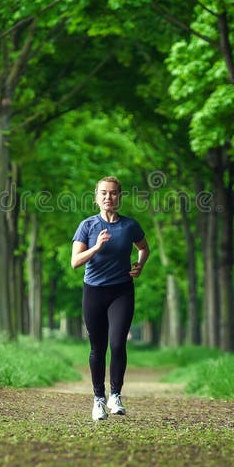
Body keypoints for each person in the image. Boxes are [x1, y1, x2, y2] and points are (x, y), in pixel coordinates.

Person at [71, 175, 150, 421]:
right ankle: (98, 400)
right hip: (94, 291)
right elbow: (75, 262)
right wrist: (96, 247)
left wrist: (139, 265)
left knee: (117, 344)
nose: (109, 197)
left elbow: (144, 248)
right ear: (96, 198)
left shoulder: (130, 226)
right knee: (98, 348)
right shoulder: (87, 226)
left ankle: (115, 395)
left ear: (119, 197)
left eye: (113, 193)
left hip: (121, 291)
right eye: (104, 193)